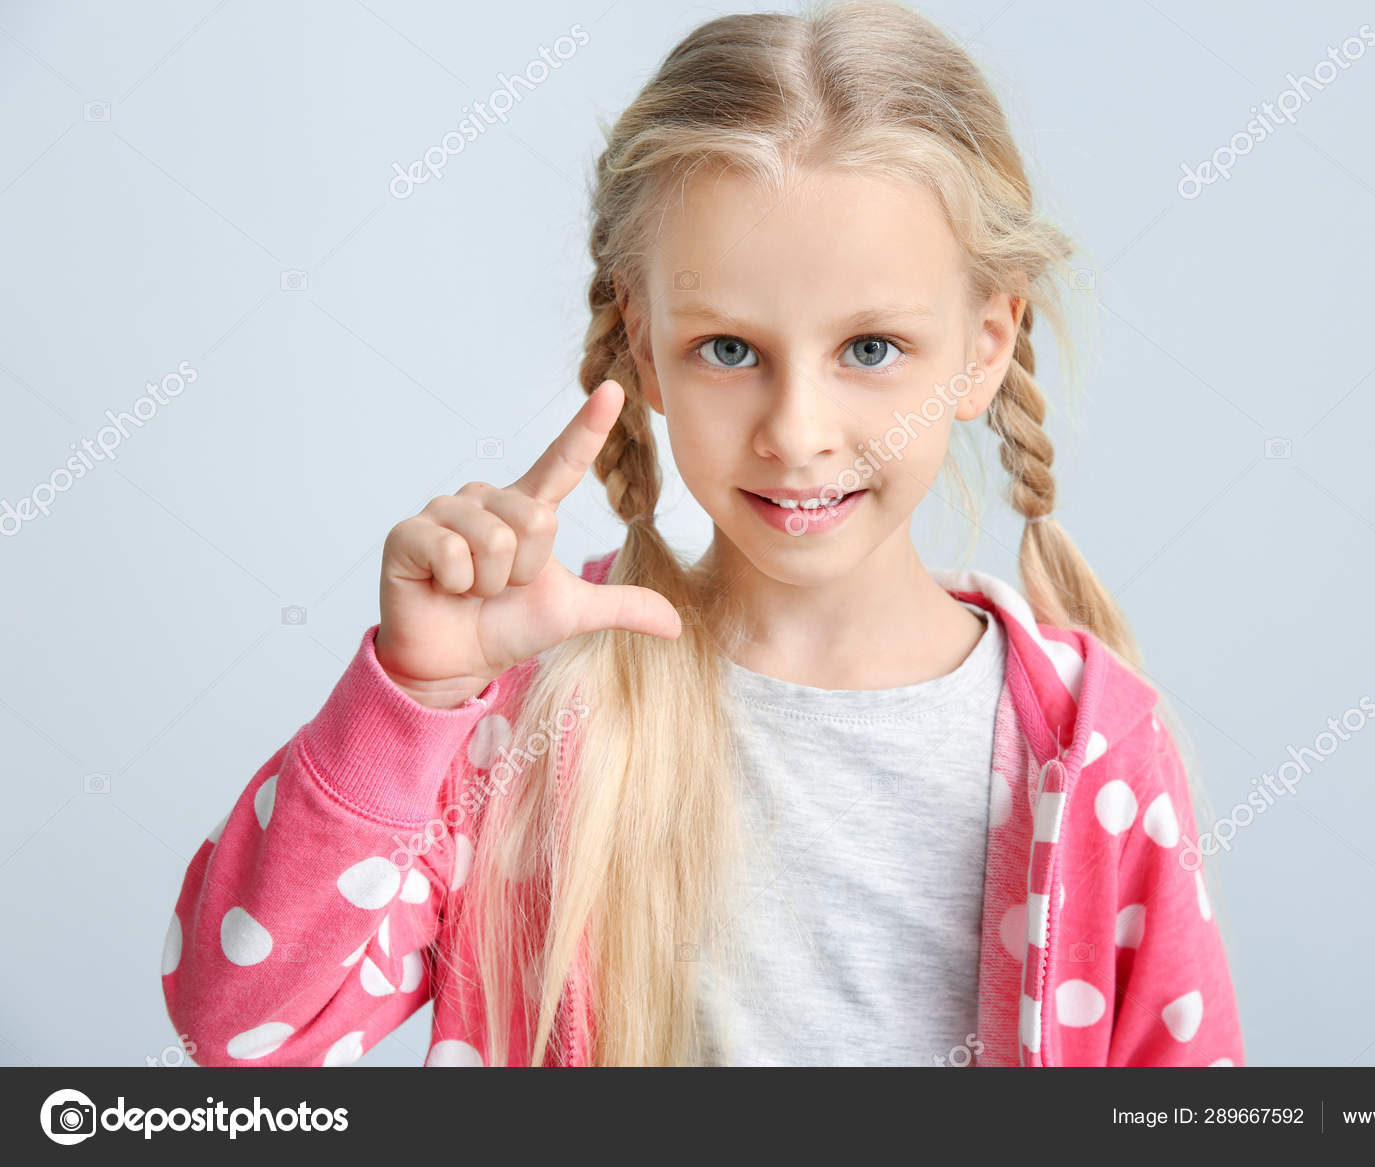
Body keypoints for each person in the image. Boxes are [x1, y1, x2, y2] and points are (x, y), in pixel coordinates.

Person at [160, 0, 1243, 1068]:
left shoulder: (1095, 745)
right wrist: (411, 697)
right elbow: (241, 1027)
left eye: (870, 349)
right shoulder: (535, 701)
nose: (797, 434)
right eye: (729, 348)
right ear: (642, 344)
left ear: (983, 346)